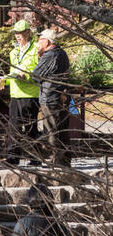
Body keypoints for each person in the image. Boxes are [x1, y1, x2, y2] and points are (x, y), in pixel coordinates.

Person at [0, 19, 40, 165]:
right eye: (16, 33)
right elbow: (12, 72)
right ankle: (13, 157)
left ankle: (34, 158)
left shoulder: (36, 49)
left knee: (30, 127)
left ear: (28, 32)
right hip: (15, 94)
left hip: (30, 94)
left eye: (20, 33)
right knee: (13, 127)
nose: (17, 36)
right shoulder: (13, 52)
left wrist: (26, 75)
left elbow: (39, 72)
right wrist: (5, 81)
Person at [34, 29, 71, 166]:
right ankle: (65, 161)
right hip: (63, 95)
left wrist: (39, 56)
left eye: (40, 39)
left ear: (47, 41)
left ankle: (56, 161)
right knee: (63, 130)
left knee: (51, 131)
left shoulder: (49, 55)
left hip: (50, 97)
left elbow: (36, 74)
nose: (38, 42)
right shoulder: (63, 53)